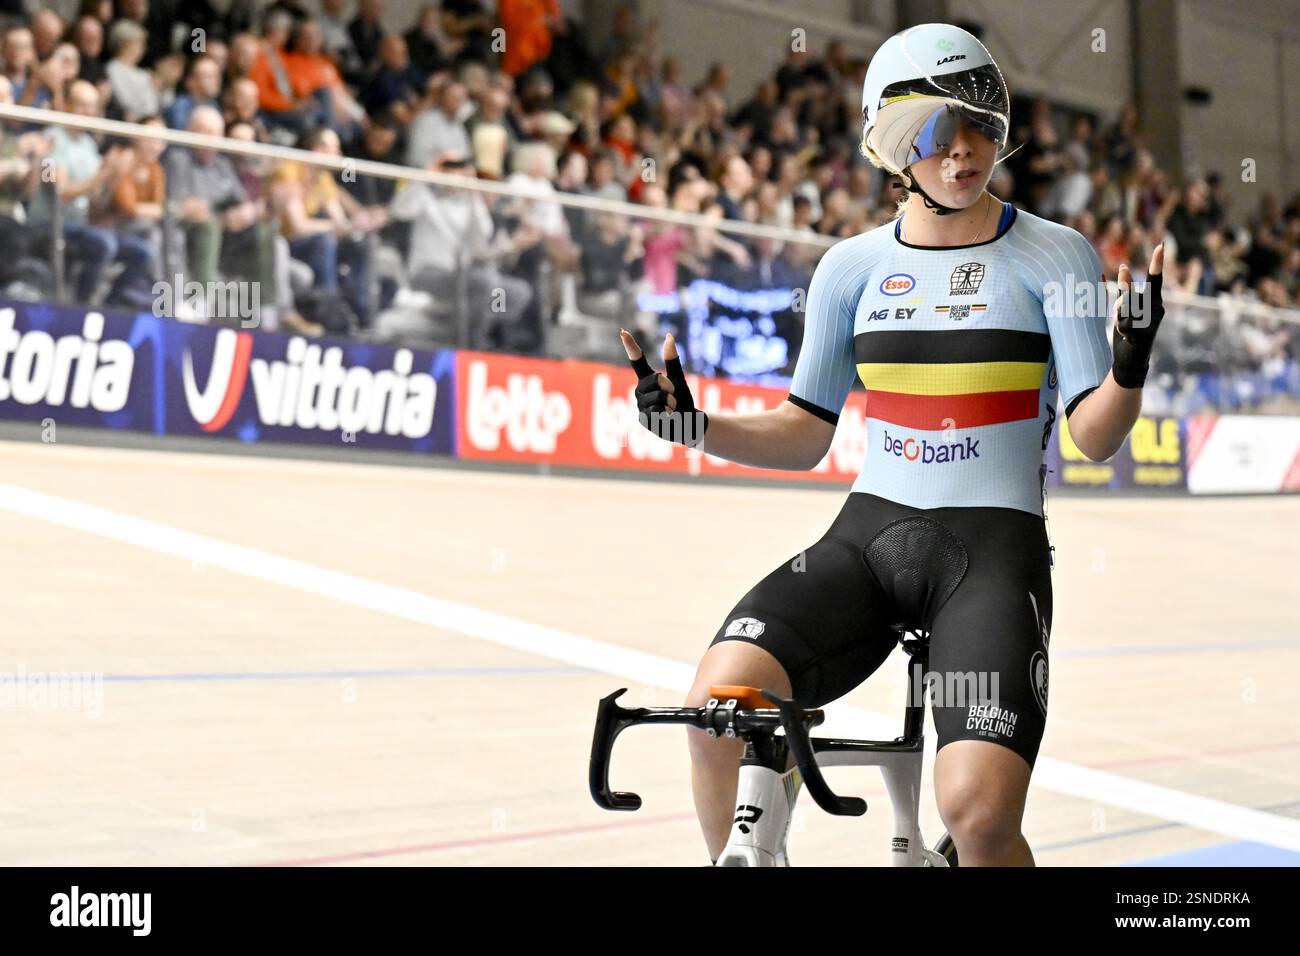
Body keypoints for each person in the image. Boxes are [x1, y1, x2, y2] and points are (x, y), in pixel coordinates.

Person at [620, 23, 1166, 867]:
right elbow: (804, 434)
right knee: (717, 708)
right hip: (866, 542)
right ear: (891, 145)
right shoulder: (850, 268)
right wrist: (694, 424)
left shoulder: (1057, 256)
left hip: (990, 555)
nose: (964, 154)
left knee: (980, 820)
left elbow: (1092, 438)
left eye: (982, 127)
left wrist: (1128, 365)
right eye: (937, 135)